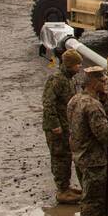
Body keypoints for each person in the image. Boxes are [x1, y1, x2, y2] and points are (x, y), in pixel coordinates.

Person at [68, 66, 108, 216]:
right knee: (94, 203)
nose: (105, 82)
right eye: (102, 80)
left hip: (79, 156)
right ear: (93, 82)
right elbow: (104, 135)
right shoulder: (93, 105)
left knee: (87, 194)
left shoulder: (74, 100)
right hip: (94, 161)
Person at [42, 49, 84, 204]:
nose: (79, 67)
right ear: (69, 65)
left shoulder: (70, 79)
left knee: (67, 156)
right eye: (77, 64)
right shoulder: (56, 79)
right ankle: (62, 191)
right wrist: (54, 125)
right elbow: (48, 103)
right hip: (56, 127)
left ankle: (66, 187)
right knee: (60, 157)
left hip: (66, 125)